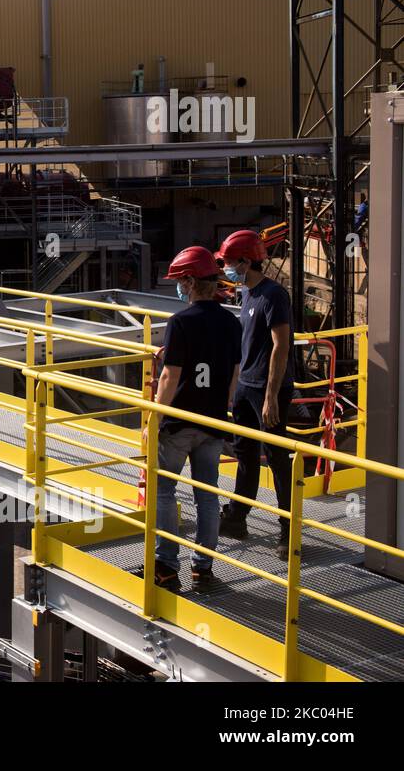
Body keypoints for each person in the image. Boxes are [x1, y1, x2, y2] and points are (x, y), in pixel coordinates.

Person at [140, 247, 241, 592]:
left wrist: (155, 416)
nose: (178, 288)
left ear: (189, 282)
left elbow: (169, 376)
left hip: (180, 423)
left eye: (180, 282)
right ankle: (203, 568)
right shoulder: (231, 322)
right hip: (213, 422)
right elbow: (234, 374)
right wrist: (221, 406)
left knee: (164, 492)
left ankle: (166, 569)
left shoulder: (181, 322)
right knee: (207, 495)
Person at [216, 230, 297, 555]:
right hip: (247, 387)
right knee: (245, 456)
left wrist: (271, 396)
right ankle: (238, 517)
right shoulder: (246, 295)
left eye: (229, 263)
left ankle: (289, 531)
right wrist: (235, 388)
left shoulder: (275, 295)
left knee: (277, 459)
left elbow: (281, 346)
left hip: (268, 390)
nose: (225, 269)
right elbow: (246, 346)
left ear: (246, 261)